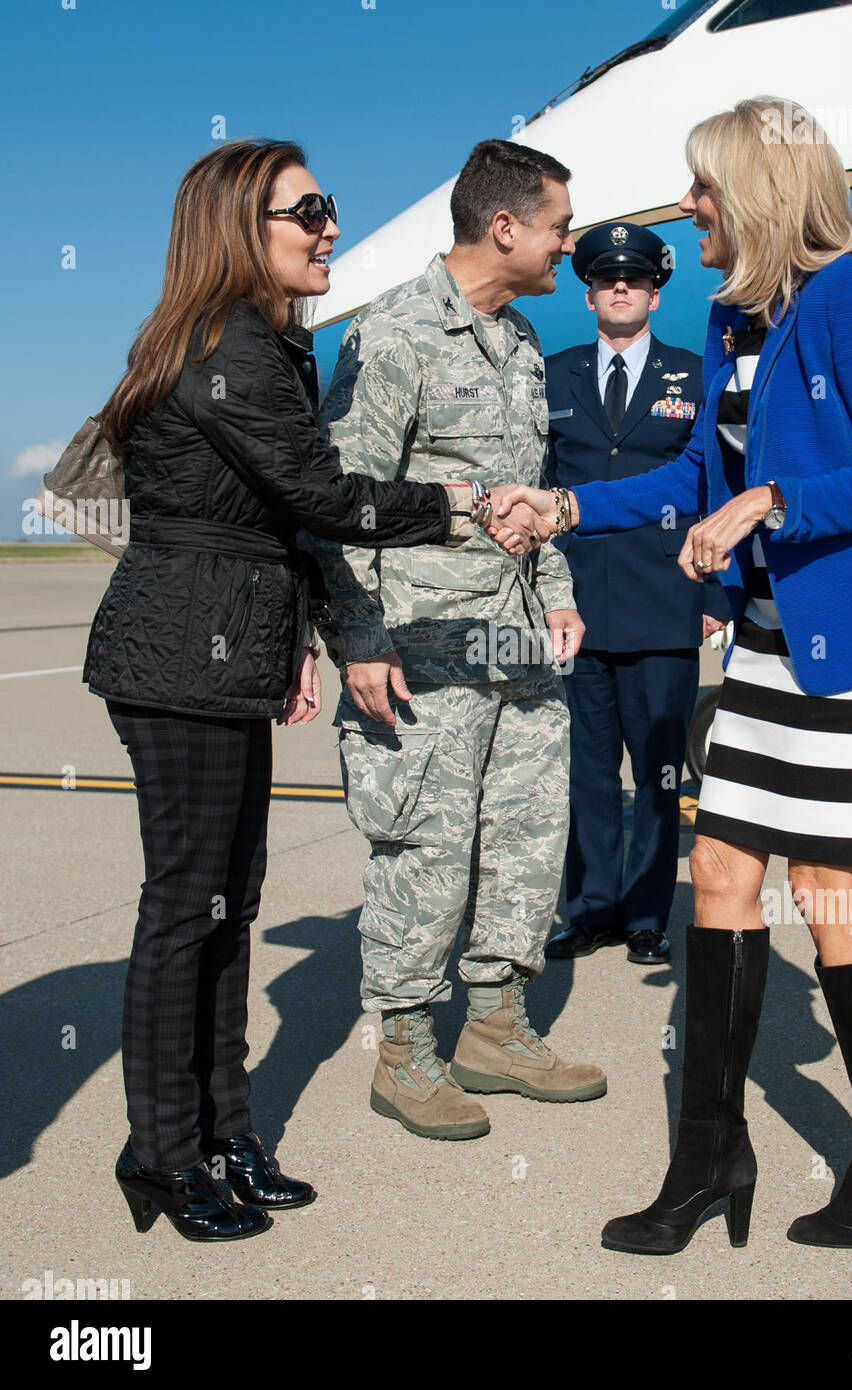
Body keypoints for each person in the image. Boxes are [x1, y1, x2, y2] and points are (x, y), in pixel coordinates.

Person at [497, 96, 852, 1251]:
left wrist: (774, 499)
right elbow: (693, 470)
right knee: (717, 873)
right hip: (758, 643)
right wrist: (565, 505)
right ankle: (708, 1159)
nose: (687, 207)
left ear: (752, 186)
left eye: (700, 186)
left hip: (848, 650)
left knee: (829, 892)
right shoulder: (735, 315)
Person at [85, 138, 524, 1241]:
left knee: (232, 910)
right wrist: (463, 501)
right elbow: (323, 496)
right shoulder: (221, 342)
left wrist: (297, 641)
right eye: (308, 209)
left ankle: (226, 1133)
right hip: (176, 655)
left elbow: (281, 520)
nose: (330, 225)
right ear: (243, 226)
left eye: (328, 206)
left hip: (225, 650)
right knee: (186, 911)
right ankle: (160, 1150)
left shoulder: (272, 346)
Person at [310, 138, 606, 1143]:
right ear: (504, 226)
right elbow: (337, 506)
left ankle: (494, 1023)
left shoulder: (520, 343)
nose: (568, 244)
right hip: (421, 645)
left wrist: (556, 587)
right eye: (560, 226)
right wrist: (356, 641)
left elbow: (524, 497)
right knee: (425, 849)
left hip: (514, 643)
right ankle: (402, 1047)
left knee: (524, 836)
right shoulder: (392, 334)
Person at [542, 220, 730, 967]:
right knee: (585, 769)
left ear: (655, 292)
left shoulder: (694, 373)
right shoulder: (551, 377)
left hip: (666, 600)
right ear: (588, 293)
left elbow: (717, 483)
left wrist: (718, 591)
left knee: (656, 771)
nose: (622, 289)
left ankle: (648, 914)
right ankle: (588, 908)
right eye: (607, 279)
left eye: (637, 279)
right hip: (576, 606)